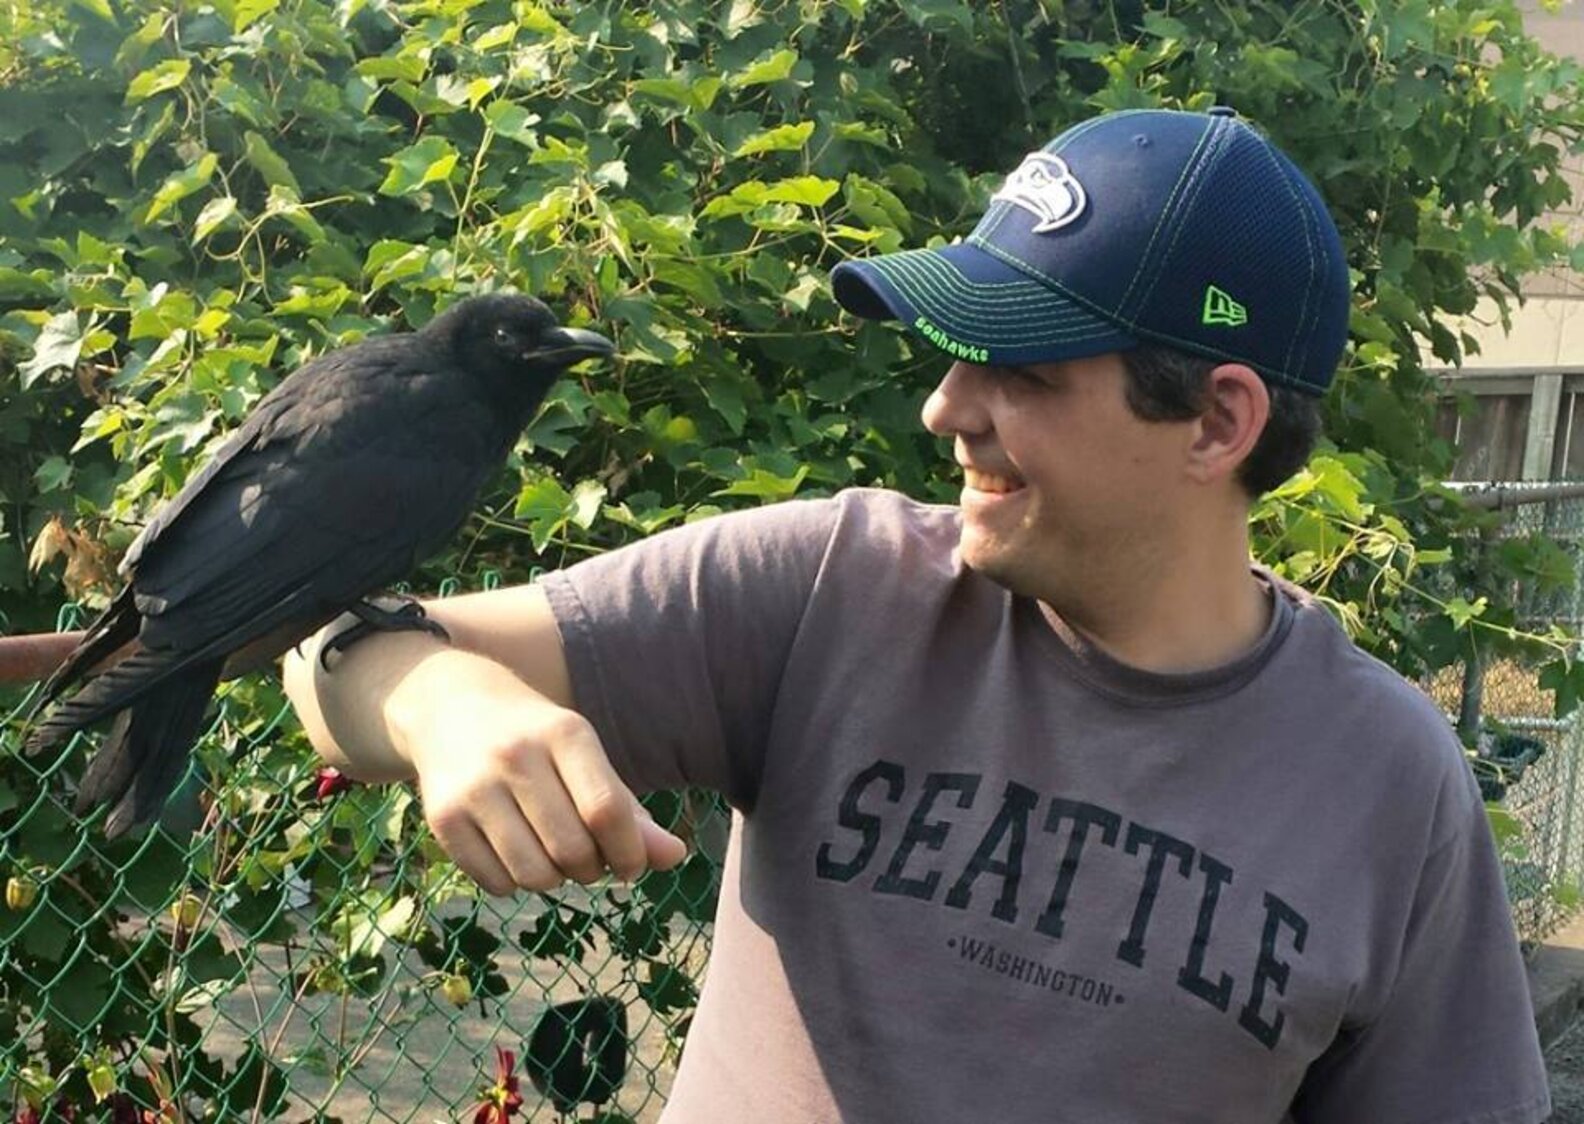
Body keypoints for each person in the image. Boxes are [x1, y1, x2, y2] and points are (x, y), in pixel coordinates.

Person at [283, 108, 1551, 1123]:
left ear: (1218, 422)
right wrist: (442, 700)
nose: (947, 408)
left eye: (1021, 366)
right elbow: (324, 663)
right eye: (951, 350)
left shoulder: (1391, 786)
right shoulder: (830, 587)